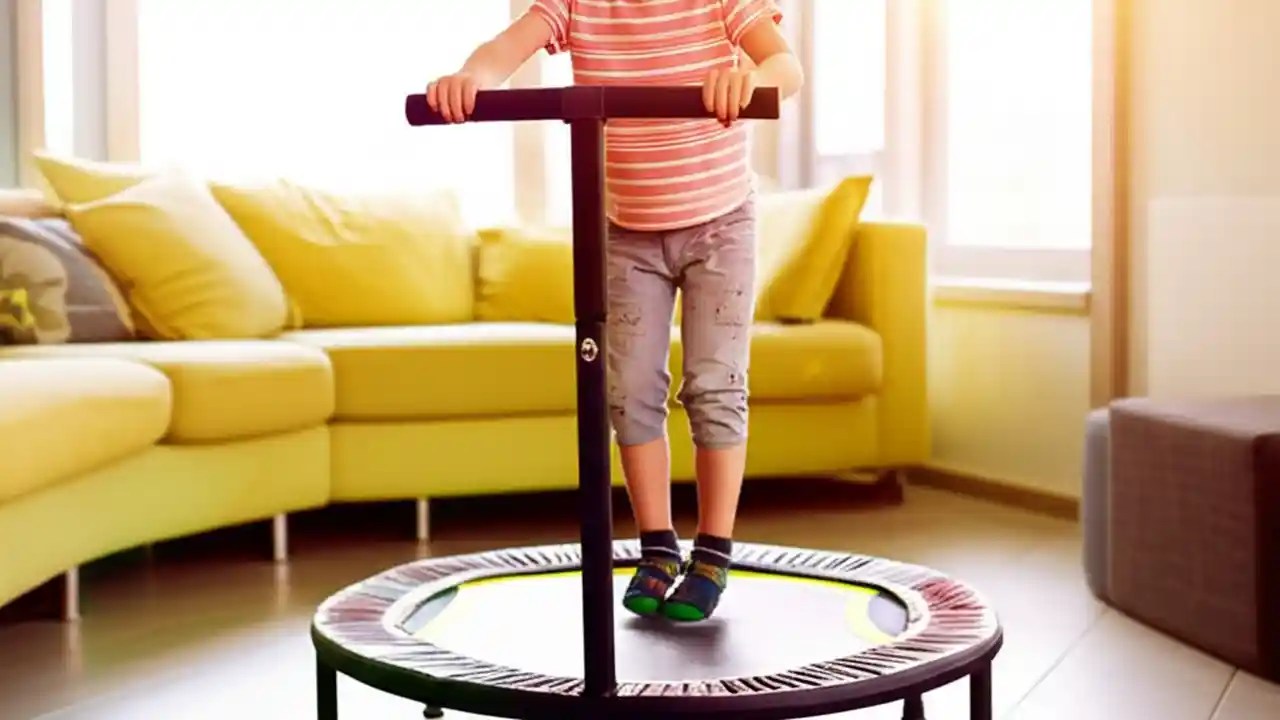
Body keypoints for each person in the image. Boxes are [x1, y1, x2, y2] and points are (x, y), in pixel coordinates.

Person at [427, 0, 803, 623]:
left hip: (721, 223)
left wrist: (750, 80)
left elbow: (784, 67)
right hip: (628, 231)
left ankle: (713, 551)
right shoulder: (575, 5)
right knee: (627, 391)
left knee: (714, 385)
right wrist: (473, 77)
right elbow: (505, 47)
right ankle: (657, 547)